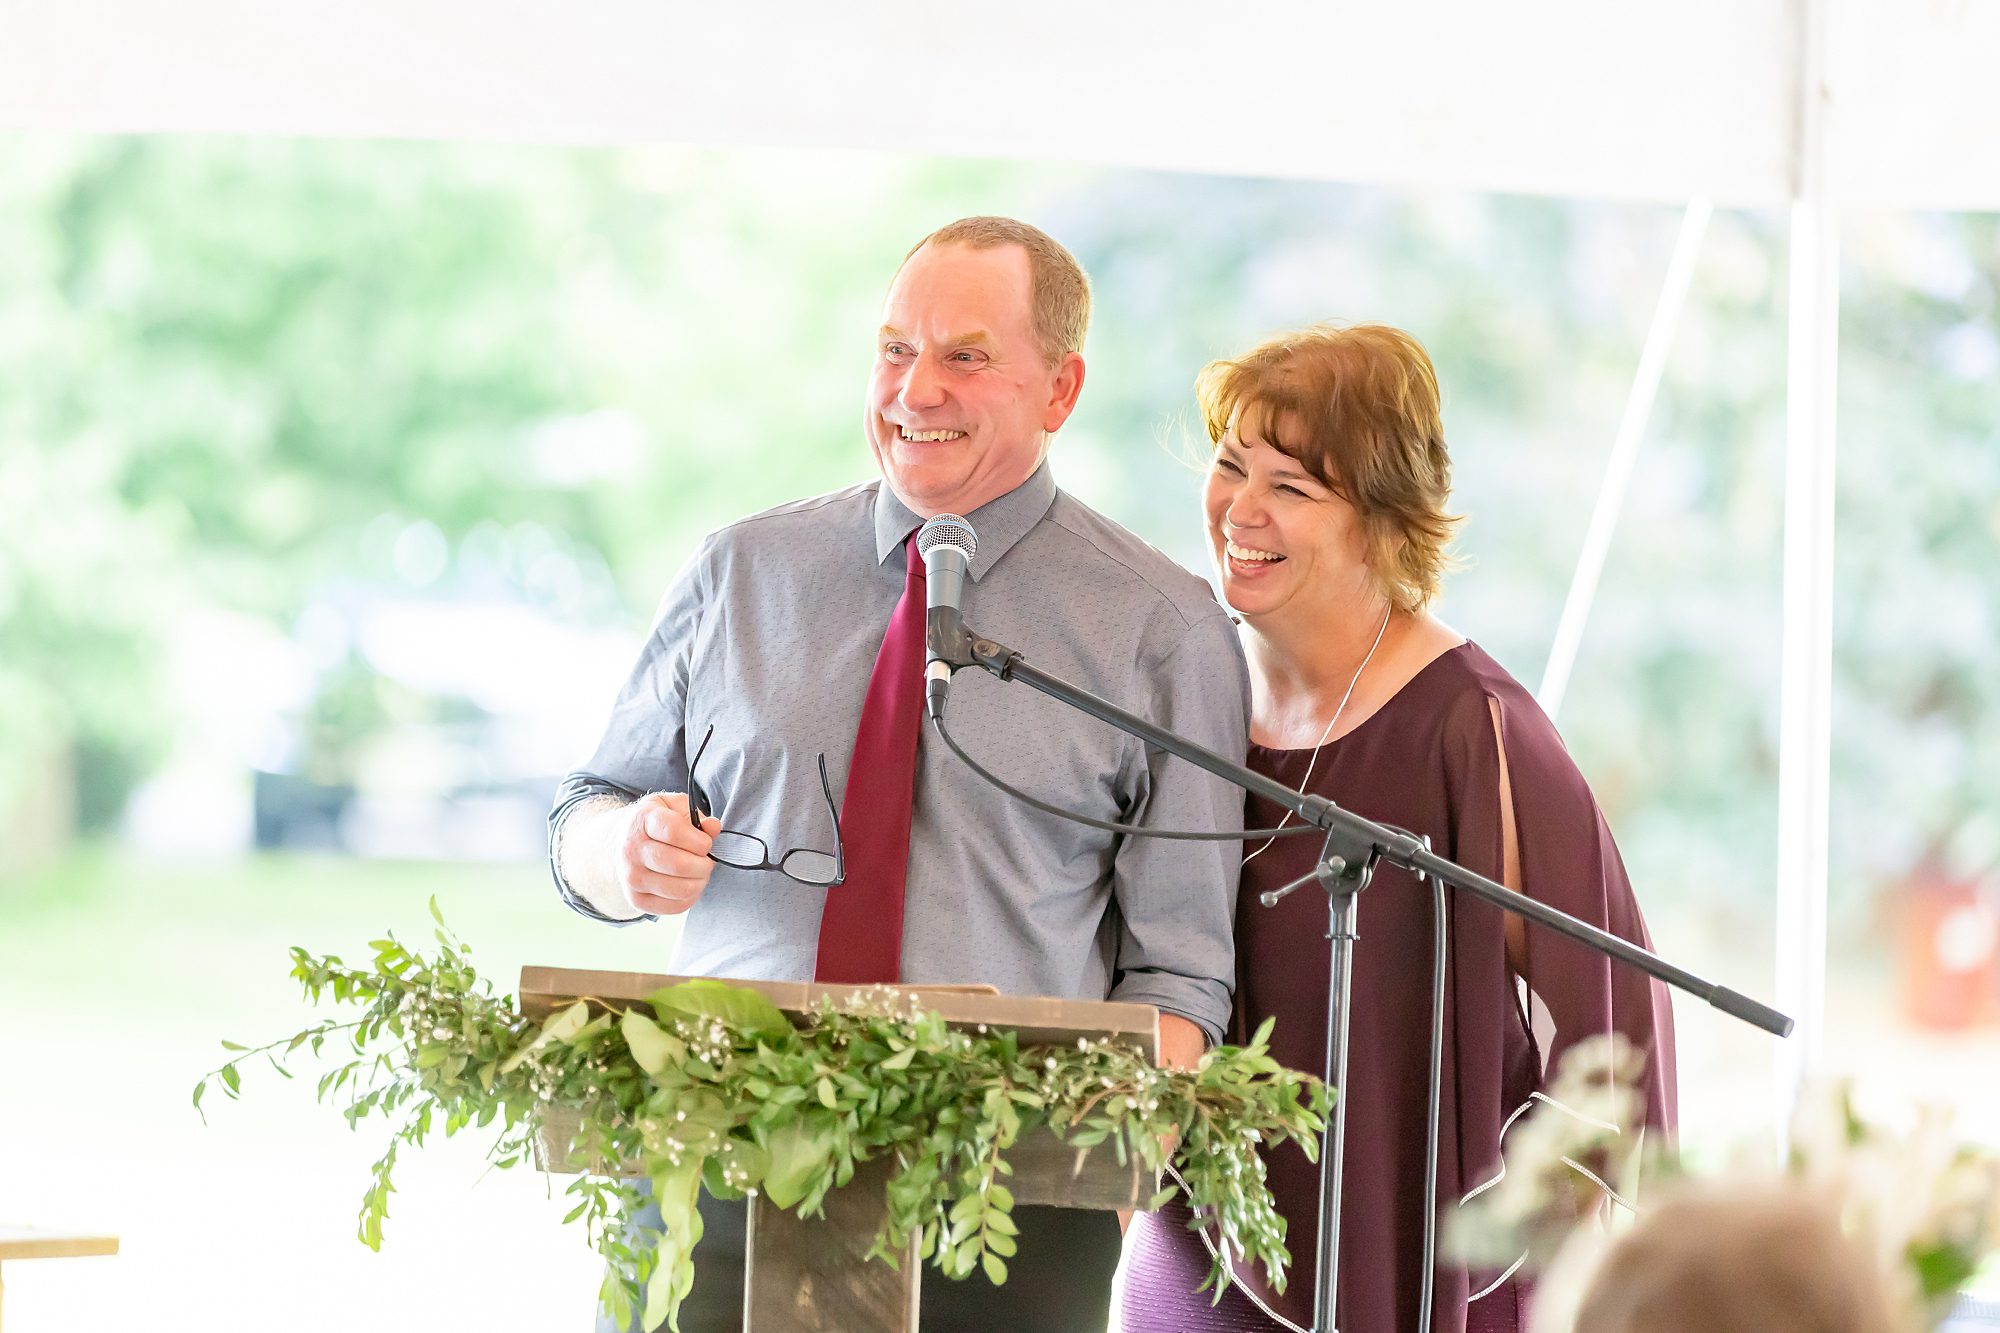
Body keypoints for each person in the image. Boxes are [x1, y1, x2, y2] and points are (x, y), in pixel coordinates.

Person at [548, 216, 1249, 1332]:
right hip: (709, 1178)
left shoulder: (1161, 632)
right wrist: (619, 852)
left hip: (1001, 1210)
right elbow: (580, 820)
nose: (913, 389)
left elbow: (1180, 974)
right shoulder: (741, 573)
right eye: (891, 349)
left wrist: (1099, 1188)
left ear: (1058, 389)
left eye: (964, 356)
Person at [1119, 324, 1677, 1333]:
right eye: (1230, 466)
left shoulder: (1476, 730)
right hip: (1193, 1252)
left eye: (1291, 487)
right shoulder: (1180, 692)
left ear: (1384, 520)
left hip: (1416, 1279)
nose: (1240, 509)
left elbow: (1613, 1043)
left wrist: (1501, 1262)